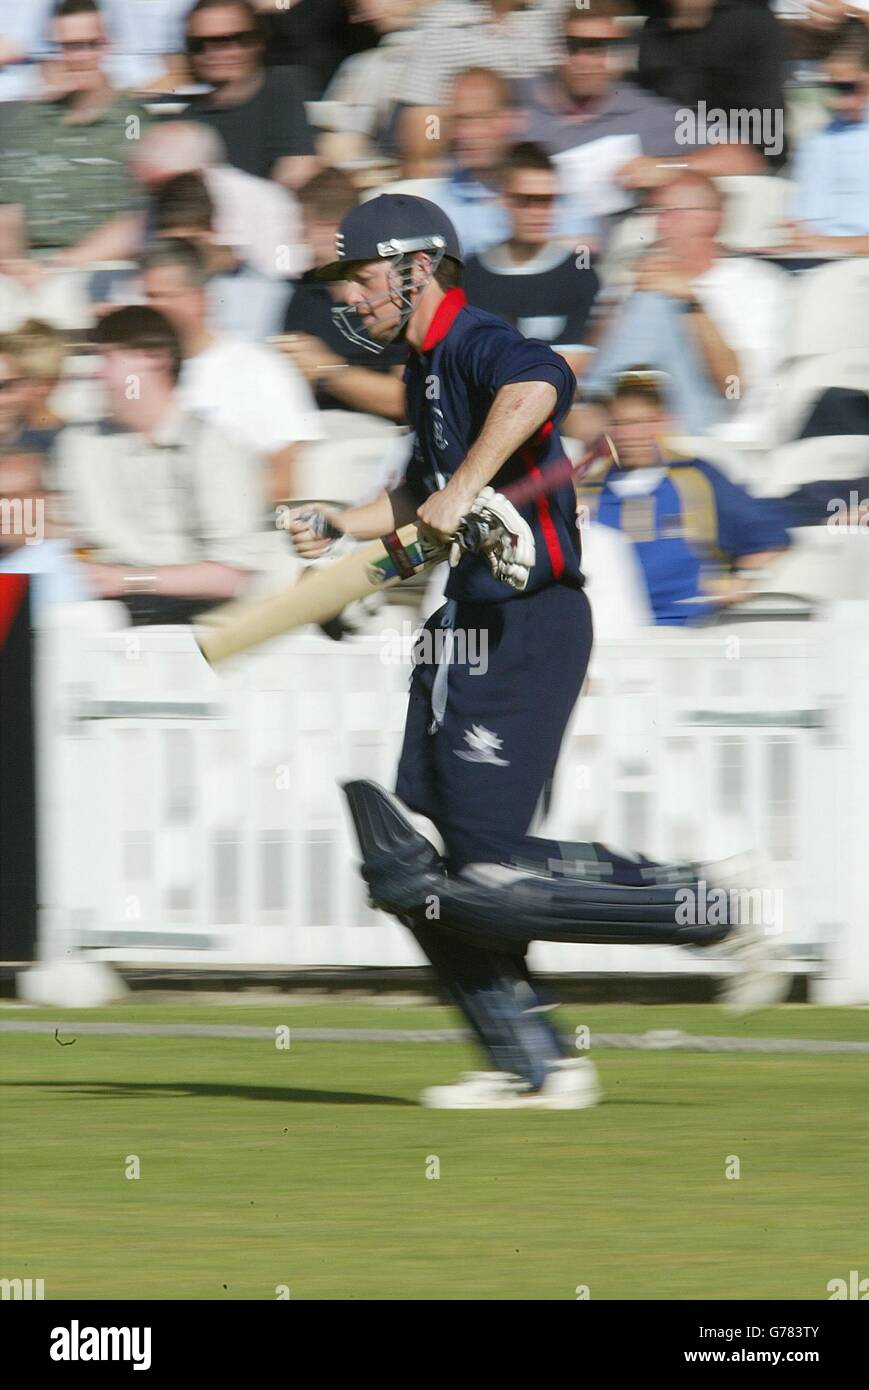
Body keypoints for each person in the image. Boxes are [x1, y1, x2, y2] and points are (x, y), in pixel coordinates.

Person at [284, 193, 790, 1109]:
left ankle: (707, 906)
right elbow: (416, 497)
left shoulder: (476, 339)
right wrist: (335, 520)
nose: (351, 299)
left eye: (360, 276)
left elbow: (543, 379)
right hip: (462, 630)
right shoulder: (424, 369)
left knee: (489, 873)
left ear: (414, 267)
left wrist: (466, 484)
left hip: (529, 623)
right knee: (421, 877)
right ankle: (533, 1065)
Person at [48, 306, 272, 620]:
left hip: (193, 621)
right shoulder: (78, 443)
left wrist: (126, 581)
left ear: (154, 358)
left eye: (108, 358)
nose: (97, 372)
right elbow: (61, 531)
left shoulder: (214, 447)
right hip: (95, 613)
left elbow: (232, 576)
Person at [571, 172, 786, 446]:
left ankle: (597, 422)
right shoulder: (641, 278)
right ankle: (603, 424)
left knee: (653, 304)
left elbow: (734, 385)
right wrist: (617, 307)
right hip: (639, 411)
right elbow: (592, 362)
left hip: (711, 423)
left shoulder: (756, 284)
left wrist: (692, 303)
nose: (659, 226)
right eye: (657, 213)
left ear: (710, 220)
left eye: (672, 214)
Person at [587, 370, 791, 625]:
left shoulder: (697, 479)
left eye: (642, 423)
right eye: (619, 424)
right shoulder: (588, 490)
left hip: (689, 632)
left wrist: (741, 580)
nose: (630, 435)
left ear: (665, 422)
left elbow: (770, 540)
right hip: (609, 630)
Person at [139, 239, 321, 506]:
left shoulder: (262, 368)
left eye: (164, 296)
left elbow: (284, 480)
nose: (151, 308)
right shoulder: (135, 370)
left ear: (200, 298)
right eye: (147, 296)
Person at [0, 0, 148, 268]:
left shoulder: (131, 121)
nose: (78, 58)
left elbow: (139, 218)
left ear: (107, 45)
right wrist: (14, 265)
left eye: (89, 45)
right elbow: (7, 212)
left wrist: (61, 266)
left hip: (107, 267)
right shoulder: (31, 124)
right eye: (67, 47)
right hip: (31, 272)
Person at [279, 168, 408, 422]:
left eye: (305, 227)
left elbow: (403, 400)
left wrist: (327, 370)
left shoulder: (395, 295)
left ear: (331, 230)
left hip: (378, 434)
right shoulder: (304, 294)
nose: (300, 238)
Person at [462, 143, 599, 375]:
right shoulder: (470, 275)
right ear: (504, 200)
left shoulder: (579, 275)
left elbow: (576, 367)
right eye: (526, 200)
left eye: (546, 200)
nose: (537, 212)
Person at [181, 0, 318, 190]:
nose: (212, 52)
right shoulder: (188, 121)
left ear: (256, 42)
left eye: (226, 40)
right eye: (198, 44)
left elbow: (297, 178)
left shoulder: (284, 88)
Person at [775, 20, 869, 256]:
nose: (833, 101)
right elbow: (805, 226)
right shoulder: (816, 141)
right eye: (828, 88)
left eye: (846, 87)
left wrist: (827, 244)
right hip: (816, 264)